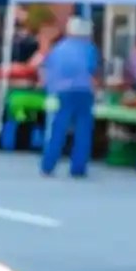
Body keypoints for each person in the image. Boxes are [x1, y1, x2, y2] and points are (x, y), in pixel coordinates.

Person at [40, 16, 99, 178]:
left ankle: (48, 164)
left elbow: (48, 70)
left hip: (62, 91)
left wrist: (50, 89)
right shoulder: (89, 49)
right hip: (83, 91)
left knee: (59, 127)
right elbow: (93, 71)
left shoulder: (59, 48)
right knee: (83, 129)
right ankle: (78, 167)